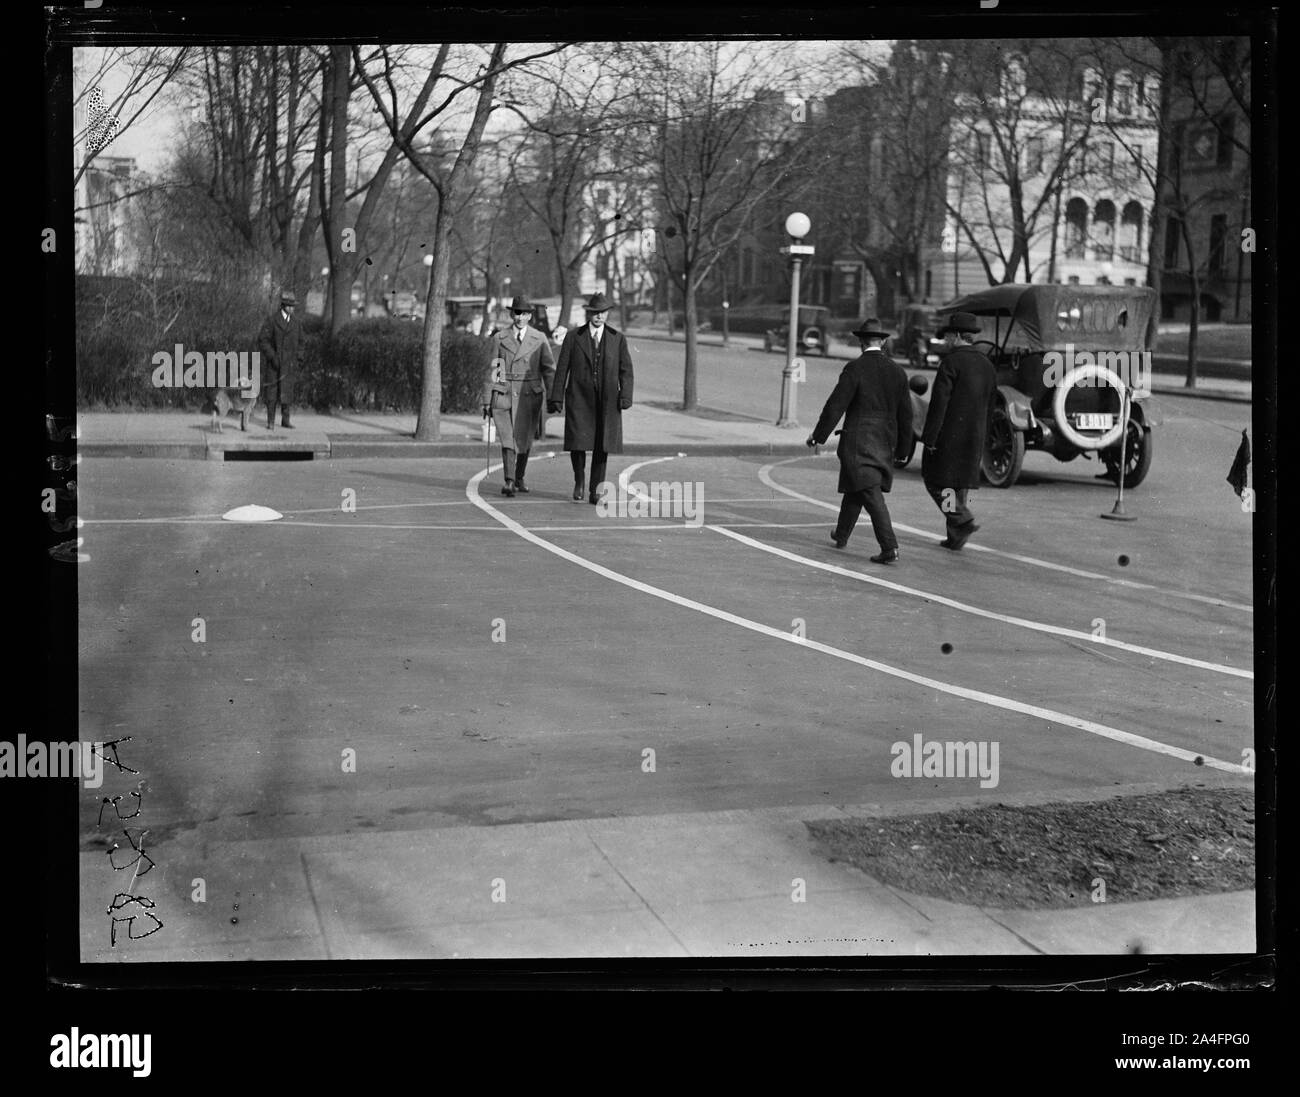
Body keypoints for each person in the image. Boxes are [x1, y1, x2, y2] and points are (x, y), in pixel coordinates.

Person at [806, 319, 914, 564]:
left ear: (860, 342)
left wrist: (818, 435)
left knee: (868, 490)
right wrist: (904, 449)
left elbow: (836, 405)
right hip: (885, 440)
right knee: (857, 487)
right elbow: (906, 414)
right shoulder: (898, 371)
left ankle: (889, 546)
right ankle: (841, 534)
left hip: (858, 439)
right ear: (883, 341)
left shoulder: (855, 368)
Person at [920, 311, 997, 549]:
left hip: (949, 434)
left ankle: (960, 519)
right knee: (959, 483)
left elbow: (939, 403)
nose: (947, 341)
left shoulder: (951, 362)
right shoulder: (987, 364)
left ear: (955, 336)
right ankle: (956, 538)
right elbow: (991, 403)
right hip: (975, 435)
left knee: (935, 481)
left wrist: (930, 437)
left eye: (948, 336)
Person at [548, 293, 634, 504]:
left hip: (606, 402)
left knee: (601, 446)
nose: (599, 317)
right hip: (579, 399)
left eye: (603, 313)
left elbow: (626, 371)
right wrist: (556, 396)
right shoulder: (574, 336)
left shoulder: (617, 338)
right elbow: (562, 369)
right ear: (589, 313)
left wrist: (626, 395)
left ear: (607, 314)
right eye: (595, 313)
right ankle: (579, 481)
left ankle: (596, 490)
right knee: (577, 443)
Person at [483, 295, 556, 496]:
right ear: (511, 314)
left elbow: (549, 369)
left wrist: (553, 397)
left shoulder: (539, 338)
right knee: (507, 439)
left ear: (530, 316)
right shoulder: (500, 338)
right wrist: (487, 399)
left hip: (529, 395)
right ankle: (509, 480)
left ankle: (519, 476)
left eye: (525, 313)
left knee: (524, 440)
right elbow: (493, 369)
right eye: (517, 312)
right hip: (504, 393)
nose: (520, 317)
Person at [257, 290, 301, 431]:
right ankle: (270, 421)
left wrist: (299, 357)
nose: (292, 308)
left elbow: (302, 342)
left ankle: (285, 420)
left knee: (287, 392)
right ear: (283, 306)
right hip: (274, 364)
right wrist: (272, 357)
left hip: (289, 364)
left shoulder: (296, 322)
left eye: (293, 306)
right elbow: (263, 341)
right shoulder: (272, 320)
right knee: (272, 394)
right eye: (289, 306)